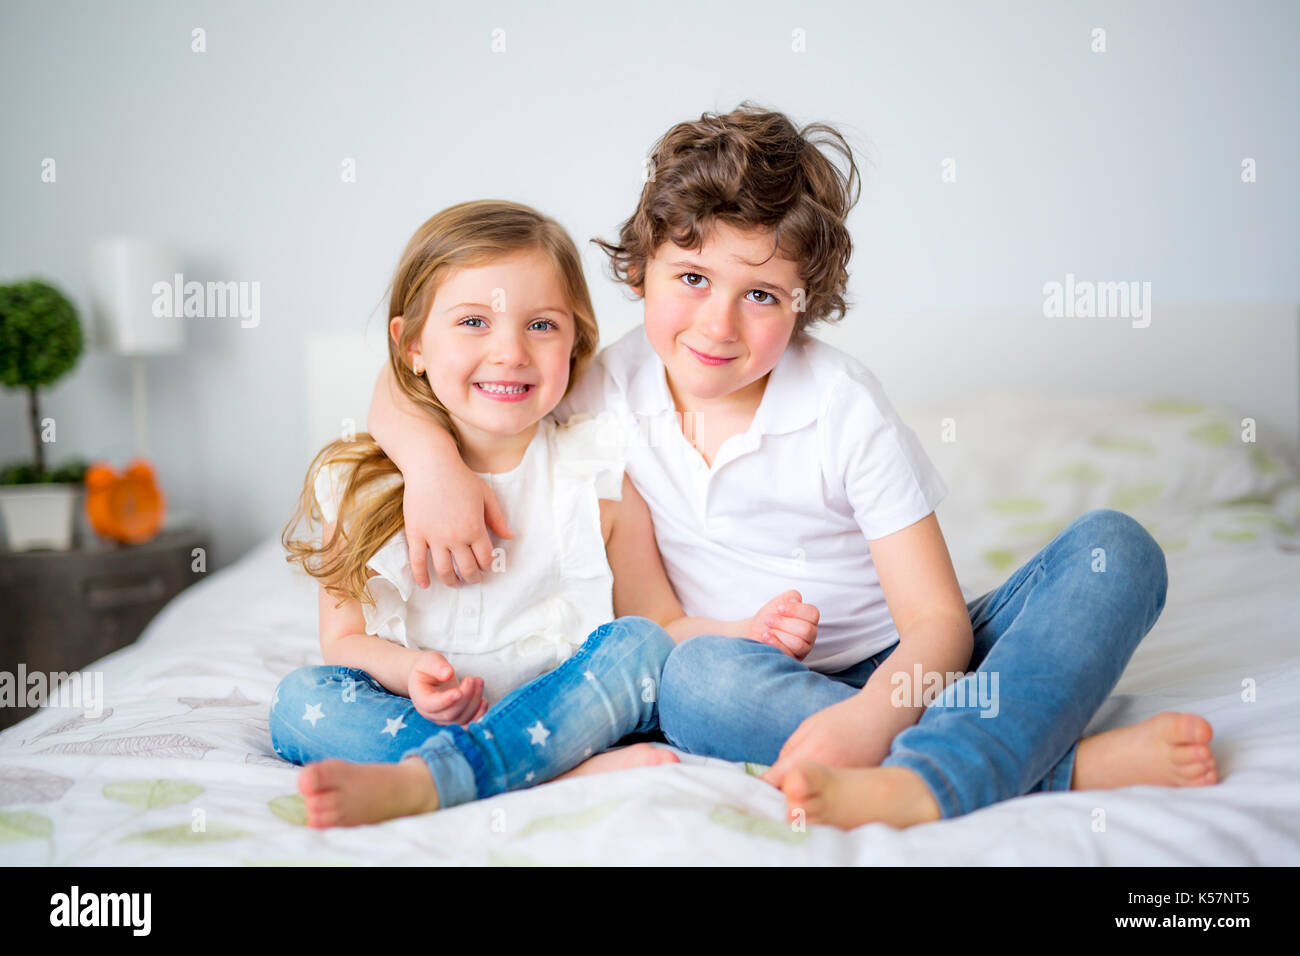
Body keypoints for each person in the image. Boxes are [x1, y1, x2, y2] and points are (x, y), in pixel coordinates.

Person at [365, 105, 1217, 831]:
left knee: (1118, 547)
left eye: (761, 295)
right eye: (691, 276)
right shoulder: (597, 383)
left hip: (904, 663)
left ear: (807, 302)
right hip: (747, 675)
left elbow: (937, 624)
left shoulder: (841, 406)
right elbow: (406, 376)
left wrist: (865, 718)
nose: (717, 324)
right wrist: (433, 463)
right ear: (638, 270)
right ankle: (1053, 765)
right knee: (690, 677)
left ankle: (921, 777)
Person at [273, 198, 819, 828]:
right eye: (474, 322)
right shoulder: (359, 483)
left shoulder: (600, 471)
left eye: (541, 326)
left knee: (636, 646)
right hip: (422, 709)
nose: (510, 352)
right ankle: (552, 773)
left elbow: (661, 624)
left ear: (576, 342)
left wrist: (745, 630)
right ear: (413, 344)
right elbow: (342, 640)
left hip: (568, 710)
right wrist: (411, 671)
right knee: (299, 702)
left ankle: (448, 776)